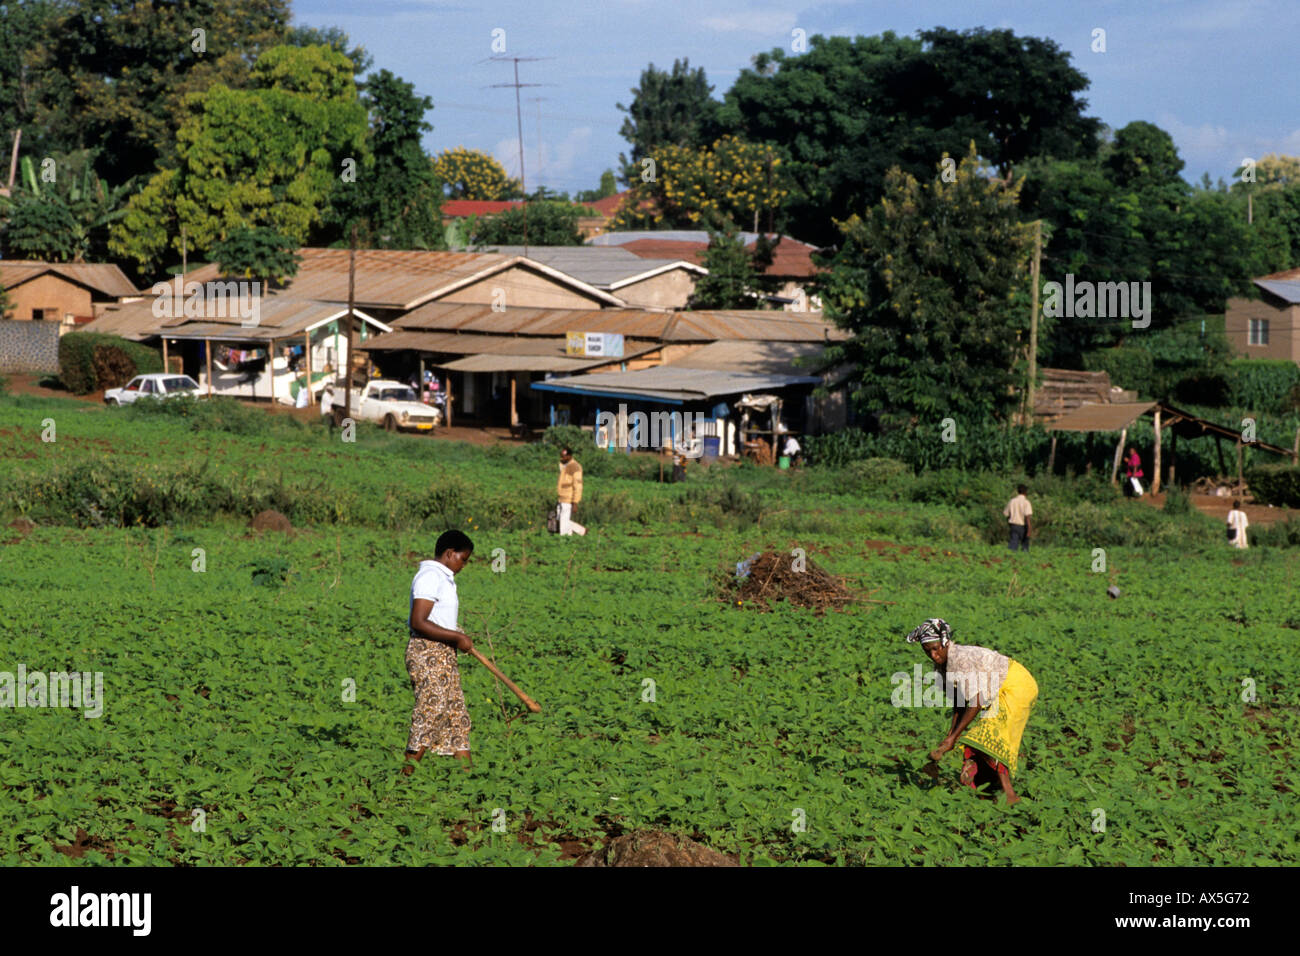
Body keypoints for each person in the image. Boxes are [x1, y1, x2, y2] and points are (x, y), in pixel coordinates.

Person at [906, 618, 1038, 805]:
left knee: (986, 737)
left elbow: (975, 702)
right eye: (928, 651)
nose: (934, 655)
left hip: (1017, 685)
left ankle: (1009, 795)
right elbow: (960, 704)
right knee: (981, 741)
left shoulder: (961, 660)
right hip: (1001, 688)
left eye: (936, 649)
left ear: (945, 642)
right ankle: (989, 794)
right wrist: (949, 738)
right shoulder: (941, 669)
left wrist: (953, 738)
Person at [403, 530, 475, 774]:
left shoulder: (443, 578)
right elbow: (419, 621)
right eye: (462, 559)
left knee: (456, 713)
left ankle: (470, 783)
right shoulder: (430, 576)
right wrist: (456, 637)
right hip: (427, 652)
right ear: (448, 553)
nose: (464, 565)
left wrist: (457, 634)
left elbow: (438, 618)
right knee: (431, 710)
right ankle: (404, 778)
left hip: (444, 653)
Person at [556, 445, 586, 536]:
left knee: (563, 522)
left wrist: (575, 502)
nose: (562, 458)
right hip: (561, 497)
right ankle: (581, 531)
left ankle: (564, 539)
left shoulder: (575, 467)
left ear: (570, 456)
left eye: (564, 456)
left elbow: (578, 486)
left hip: (569, 498)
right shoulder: (563, 465)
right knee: (559, 519)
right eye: (561, 456)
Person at [1003, 484, 1032, 552]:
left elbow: (1006, 514)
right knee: (1025, 545)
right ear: (1026, 492)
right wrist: (1029, 529)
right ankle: (1024, 559)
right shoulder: (1026, 502)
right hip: (1023, 526)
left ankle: (1011, 559)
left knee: (1013, 544)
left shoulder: (1012, 501)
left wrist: (1009, 522)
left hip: (1013, 525)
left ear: (1018, 491)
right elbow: (1027, 517)